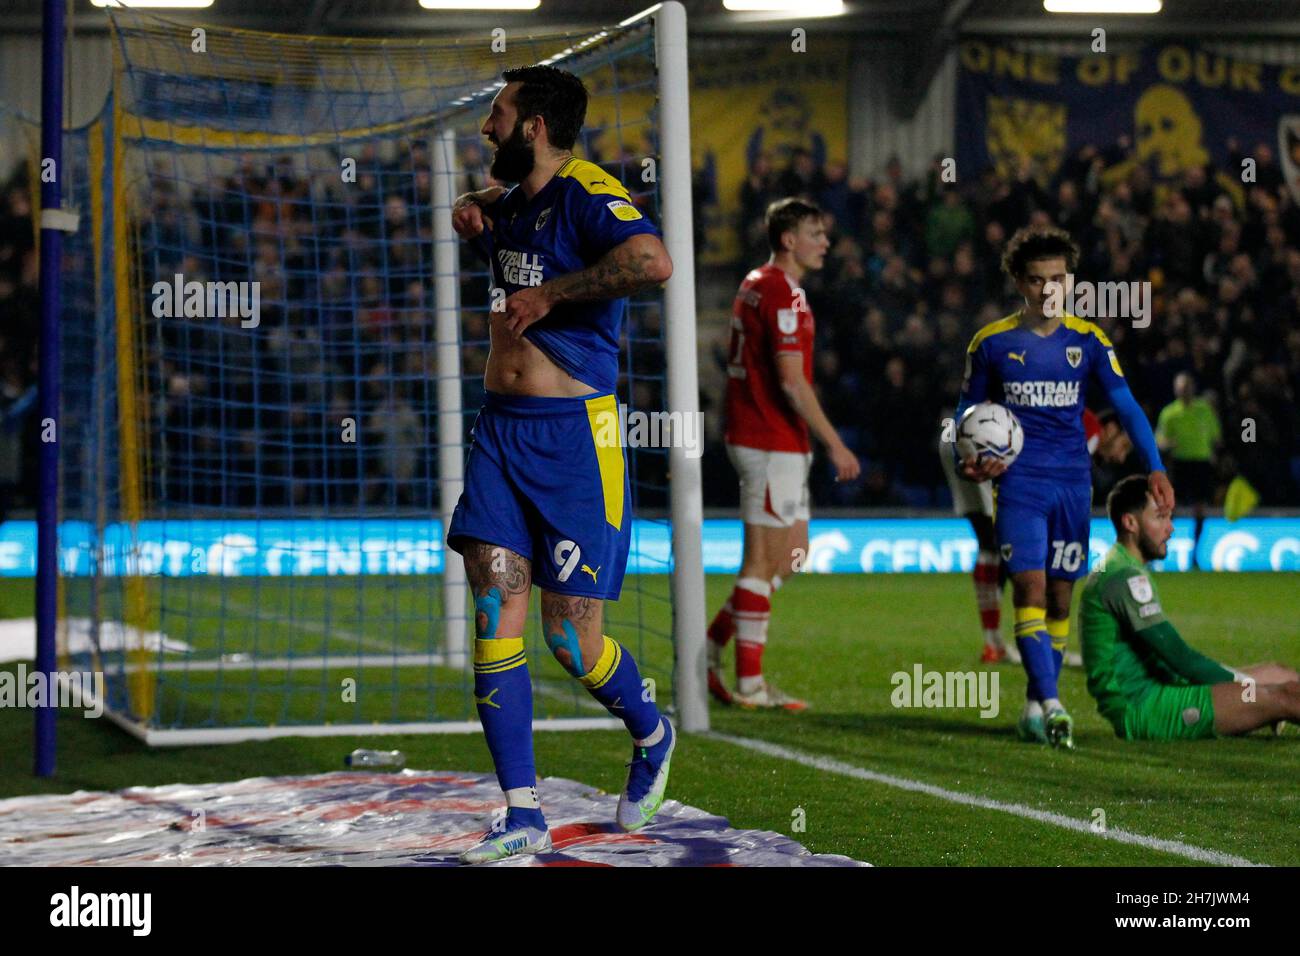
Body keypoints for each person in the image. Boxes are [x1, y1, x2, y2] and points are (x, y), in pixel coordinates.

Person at [447, 64, 675, 863]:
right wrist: (476, 217)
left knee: (572, 644)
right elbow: (507, 242)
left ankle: (652, 729)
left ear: (536, 125)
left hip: (577, 441)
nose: (488, 128)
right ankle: (522, 813)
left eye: (498, 115)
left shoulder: (587, 191)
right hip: (500, 435)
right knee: (492, 610)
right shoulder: (516, 205)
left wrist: (556, 295)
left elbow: (652, 264)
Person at [954, 225, 1173, 749]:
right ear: (1019, 283)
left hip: (1073, 483)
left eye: (1057, 279)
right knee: (1028, 588)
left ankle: (1035, 703)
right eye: (1036, 280)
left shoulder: (1090, 341)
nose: (1047, 289)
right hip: (1021, 483)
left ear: (1070, 281)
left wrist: (1156, 465)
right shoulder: (991, 343)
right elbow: (966, 413)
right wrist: (971, 458)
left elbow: (1127, 406)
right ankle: (1054, 704)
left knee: (1058, 596)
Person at [706, 199, 861, 710]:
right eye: (816, 233)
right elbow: (792, 382)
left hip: (776, 440)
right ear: (789, 239)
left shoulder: (758, 284)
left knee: (791, 556)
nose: (825, 243)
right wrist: (836, 443)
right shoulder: (777, 290)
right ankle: (749, 684)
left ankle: (708, 650)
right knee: (761, 560)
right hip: (768, 439)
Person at [1080, 474, 1300, 740]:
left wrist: (1248, 687)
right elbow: (1180, 658)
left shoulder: (1119, 564)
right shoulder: (1125, 577)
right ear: (1130, 522)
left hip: (1166, 687)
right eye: (1160, 517)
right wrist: (1250, 689)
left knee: (1280, 674)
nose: (1170, 528)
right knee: (1284, 696)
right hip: (1144, 708)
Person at [1155, 372, 1221, 564]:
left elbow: (1216, 437)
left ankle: (1195, 553)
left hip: (1201, 464)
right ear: (1176, 389)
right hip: (1180, 464)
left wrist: (1217, 453)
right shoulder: (1169, 413)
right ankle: (1159, 546)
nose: (1185, 391)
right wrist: (1167, 444)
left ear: (1193, 388)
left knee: (1200, 509)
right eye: (1181, 387)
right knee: (1171, 508)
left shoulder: (1204, 410)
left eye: (1188, 387)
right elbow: (1159, 440)